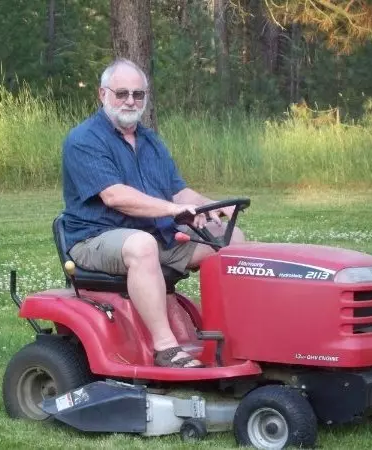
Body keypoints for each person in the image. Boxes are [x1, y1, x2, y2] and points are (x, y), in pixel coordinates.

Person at [62, 58, 244, 368]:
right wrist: (174, 210)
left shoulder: (150, 141)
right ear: (102, 95)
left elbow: (178, 191)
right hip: (96, 237)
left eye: (138, 94)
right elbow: (115, 196)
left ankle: (235, 335)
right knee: (141, 246)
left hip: (155, 233)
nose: (130, 101)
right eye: (121, 93)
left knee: (231, 240)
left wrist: (214, 205)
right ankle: (166, 348)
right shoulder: (84, 140)